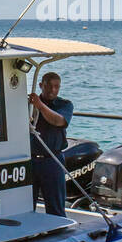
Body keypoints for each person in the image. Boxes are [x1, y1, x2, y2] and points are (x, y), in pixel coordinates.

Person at [29, 71, 75, 218]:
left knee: (55, 206)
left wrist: (40, 106)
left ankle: (59, 232)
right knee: (26, 204)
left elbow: (59, 121)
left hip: (52, 160)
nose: (53, 90)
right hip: (30, 160)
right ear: (41, 86)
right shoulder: (29, 105)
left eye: (57, 87)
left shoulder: (65, 104)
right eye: (49, 86)